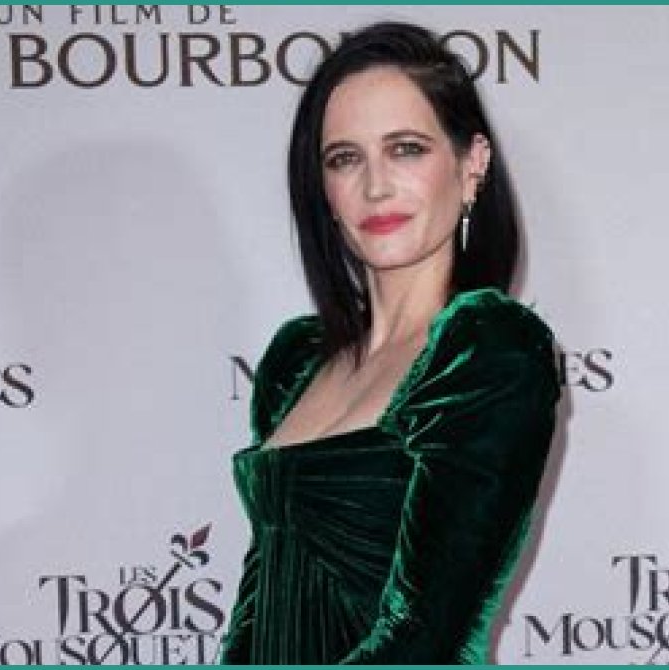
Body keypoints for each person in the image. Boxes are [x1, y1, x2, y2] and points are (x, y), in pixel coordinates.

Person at [219, 21, 561, 665]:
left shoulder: (487, 349)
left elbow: (424, 636)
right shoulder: (296, 361)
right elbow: (254, 613)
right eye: (344, 158)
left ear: (472, 163)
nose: (375, 186)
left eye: (406, 149)